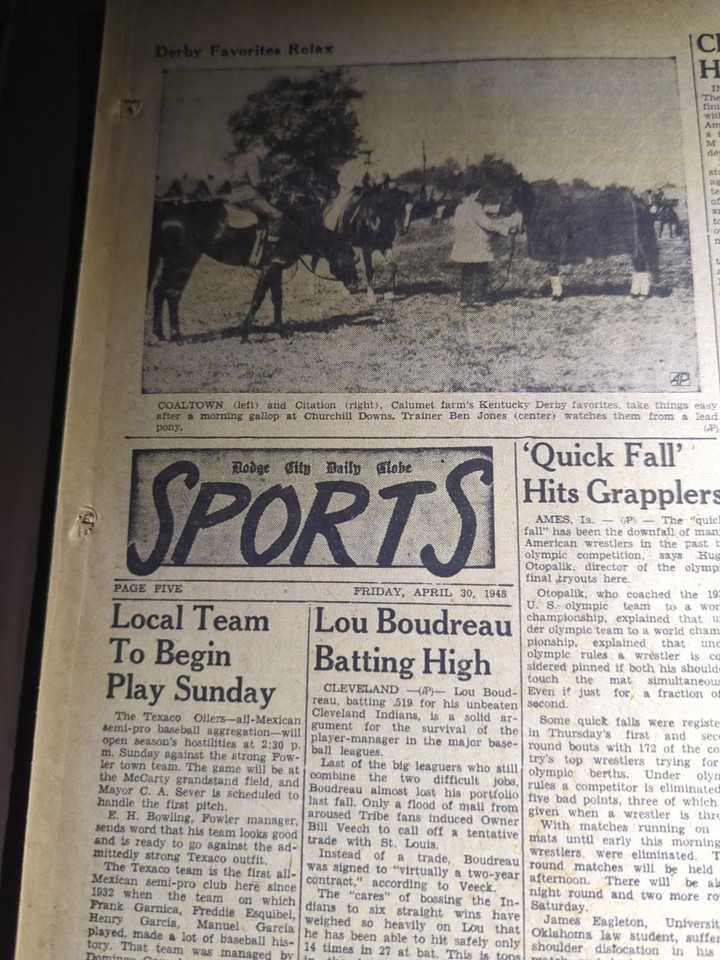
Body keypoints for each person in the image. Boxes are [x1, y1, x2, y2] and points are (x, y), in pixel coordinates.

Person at [450, 189, 517, 307]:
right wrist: (506, 230)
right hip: (477, 246)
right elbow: (488, 225)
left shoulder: (460, 208)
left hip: (465, 245)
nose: (481, 195)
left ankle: (465, 299)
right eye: (479, 193)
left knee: (467, 272)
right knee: (481, 271)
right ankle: (478, 298)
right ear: (472, 193)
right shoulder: (475, 207)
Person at [229, 137, 283, 245]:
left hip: (233, 193)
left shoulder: (240, 157)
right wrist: (273, 178)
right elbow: (256, 183)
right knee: (277, 215)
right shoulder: (252, 158)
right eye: (266, 151)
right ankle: (270, 249)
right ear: (260, 147)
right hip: (247, 194)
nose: (265, 155)